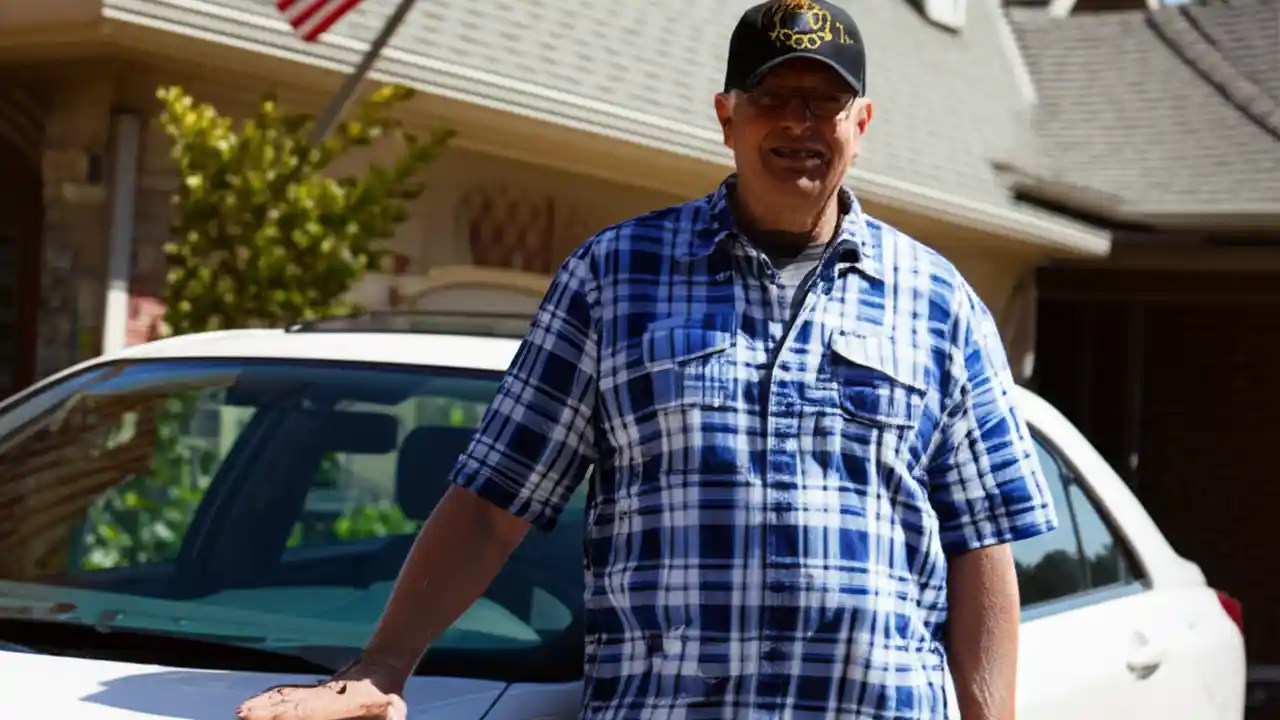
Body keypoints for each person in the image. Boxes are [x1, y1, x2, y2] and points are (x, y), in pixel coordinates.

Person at [236, 1, 1057, 718]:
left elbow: (979, 544)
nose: (800, 122)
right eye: (773, 97)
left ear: (862, 123)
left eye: (826, 101)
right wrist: (383, 665)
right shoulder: (614, 275)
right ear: (727, 116)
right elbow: (494, 503)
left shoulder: (939, 302)